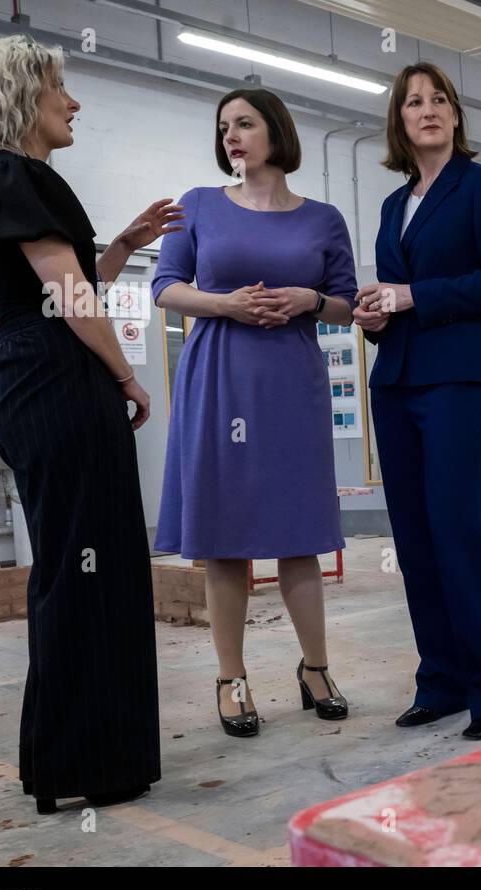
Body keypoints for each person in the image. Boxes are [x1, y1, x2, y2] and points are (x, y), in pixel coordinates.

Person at [0, 36, 179, 812]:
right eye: (61, 89)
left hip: (42, 375)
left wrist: (121, 244)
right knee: (86, 566)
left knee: (84, 564)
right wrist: (126, 375)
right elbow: (69, 299)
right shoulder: (13, 173)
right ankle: (83, 763)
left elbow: (72, 281)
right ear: (26, 95)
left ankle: (81, 759)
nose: (73, 103)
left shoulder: (12, 181)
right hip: (57, 382)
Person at [152, 88, 358, 737]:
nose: (232, 134)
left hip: (290, 383)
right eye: (223, 126)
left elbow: (347, 304)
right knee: (225, 535)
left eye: (245, 122)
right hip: (219, 376)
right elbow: (164, 287)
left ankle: (316, 667)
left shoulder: (323, 218)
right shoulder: (199, 206)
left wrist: (307, 298)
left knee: (299, 530)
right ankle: (231, 677)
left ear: (276, 131)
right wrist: (226, 305)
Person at [352, 62, 481, 741]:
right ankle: (444, 679)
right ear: (399, 122)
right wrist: (377, 317)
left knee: (459, 532)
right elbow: (395, 297)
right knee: (417, 539)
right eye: (412, 102)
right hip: (396, 380)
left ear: (455, 114)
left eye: (438, 99)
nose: (426, 109)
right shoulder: (397, 206)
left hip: (460, 379)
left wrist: (413, 297)